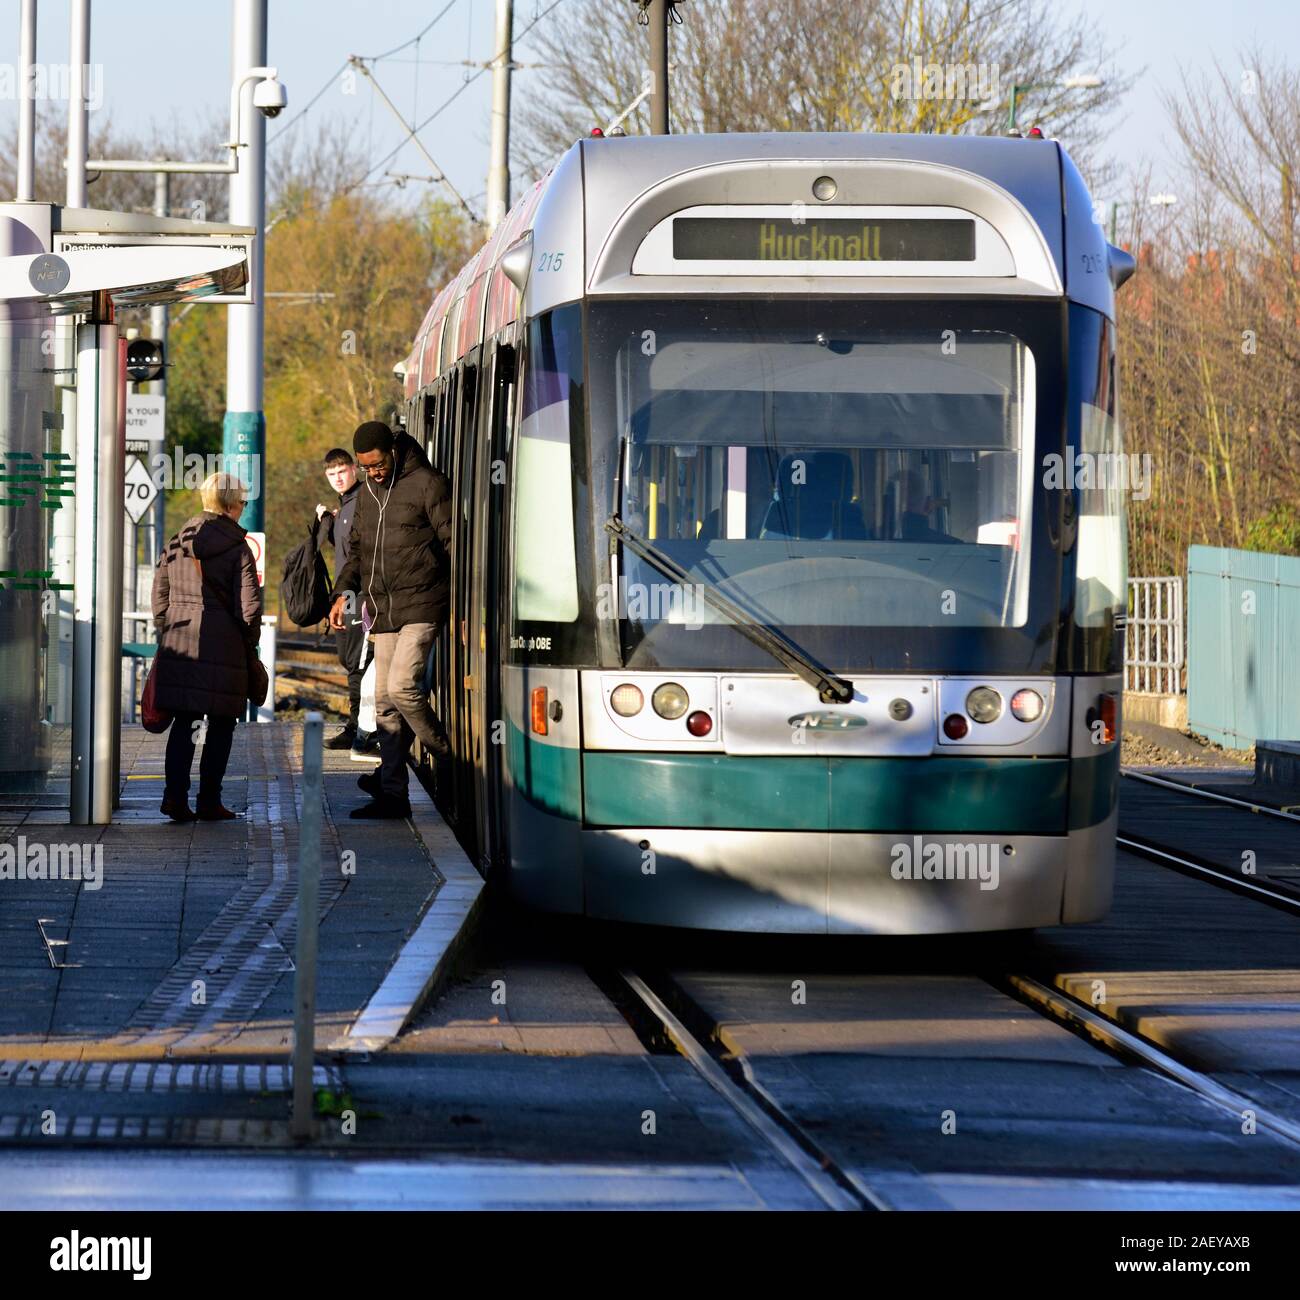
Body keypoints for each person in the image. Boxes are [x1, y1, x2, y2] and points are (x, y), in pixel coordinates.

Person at [330, 421, 453, 819]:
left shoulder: (428, 484)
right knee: (383, 704)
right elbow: (358, 553)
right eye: (366, 468)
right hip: (383, 611)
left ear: (393, 451)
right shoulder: (367, 493)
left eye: (378, 464)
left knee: (401, 688)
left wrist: (465, 608)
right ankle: (393, 796)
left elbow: (455, 545)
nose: (374, 473)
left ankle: (443, 751)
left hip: (422, 604)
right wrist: (341, 594)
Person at [151, 472, 262, 822]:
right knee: (221, 724)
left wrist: (166, 630)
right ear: (229, 504)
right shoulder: (237, 546)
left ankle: (174, 799)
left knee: (184, 723)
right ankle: (209, 800)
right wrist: (249, 643)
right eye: (242, 502)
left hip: (179, 641)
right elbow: (249, 607)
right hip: (224, 645)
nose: (244, 508)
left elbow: (159, 598)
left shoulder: (176, 541)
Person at [315, 447, 378, 759]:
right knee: (351, 661)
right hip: (346, 595)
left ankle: (359, 729)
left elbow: (360, 554)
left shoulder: (363, 501)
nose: (337, 478)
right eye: (331, 475)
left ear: (354, 468)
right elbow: (345, 549)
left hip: (358, 596)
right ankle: (357, 725)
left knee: (357, 663)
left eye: (342, 471)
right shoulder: (345, 507)